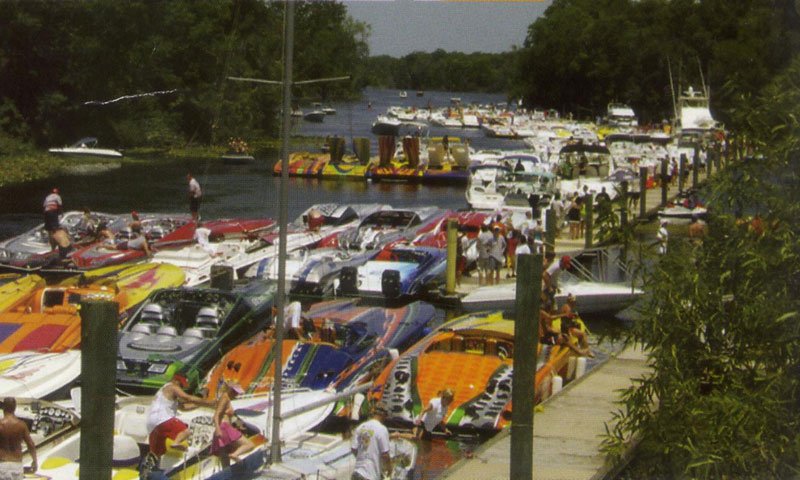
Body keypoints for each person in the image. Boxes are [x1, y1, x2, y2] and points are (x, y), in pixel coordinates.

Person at [146, 374, 213, 466]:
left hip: (152, 423)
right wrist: (209, 402)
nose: (181, 388)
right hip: (162, 418)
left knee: (156, 454)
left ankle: (150, 469)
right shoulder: (172, 387)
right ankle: (176, 443)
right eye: (181, 385)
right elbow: (187, 397)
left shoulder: (165, 393)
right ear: (175, 381)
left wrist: (201, 404)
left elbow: (184, 408)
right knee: (186, 431)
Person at [211, 381, 254, 466]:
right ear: (231, 390)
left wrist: (240, 424)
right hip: (224, 428)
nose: (236, 395)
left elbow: (231, 416)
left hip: (222, 429)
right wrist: (218, 429)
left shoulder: (227, 399)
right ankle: (235, 455)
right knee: (249, 445)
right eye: (235, 392)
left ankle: (228, 471)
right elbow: (216, 415)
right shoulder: (225, 397)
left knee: (225, 457)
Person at [350, 405, 392, 480]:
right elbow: (385, 454)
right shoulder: (382, 429)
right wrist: (389, 468)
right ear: (383, 415)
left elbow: (353, 449)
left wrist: (362, 457)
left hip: (357, 473)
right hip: (370, 475)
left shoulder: (361, 427)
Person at [0, 397, 37, 479]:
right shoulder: (21, 425)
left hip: (2, 464)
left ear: (3, 407)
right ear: (15, 408)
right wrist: (34, 460)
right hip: (16, 464)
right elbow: (30, 444)